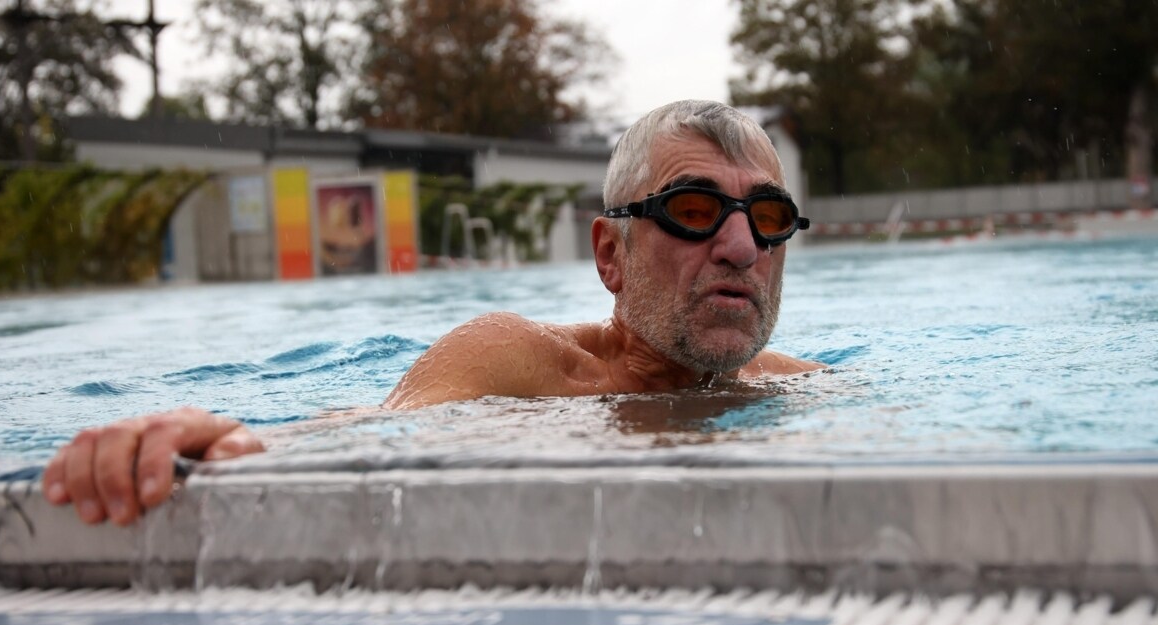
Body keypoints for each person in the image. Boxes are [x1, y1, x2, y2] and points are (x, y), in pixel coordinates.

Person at [42, 100, 822, 527]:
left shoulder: (796, 386)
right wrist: (220, 438)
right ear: (609, 255)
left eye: (769, 217)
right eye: (694, 210)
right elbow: (364, 436)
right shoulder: (514, 362)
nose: (741, 247)